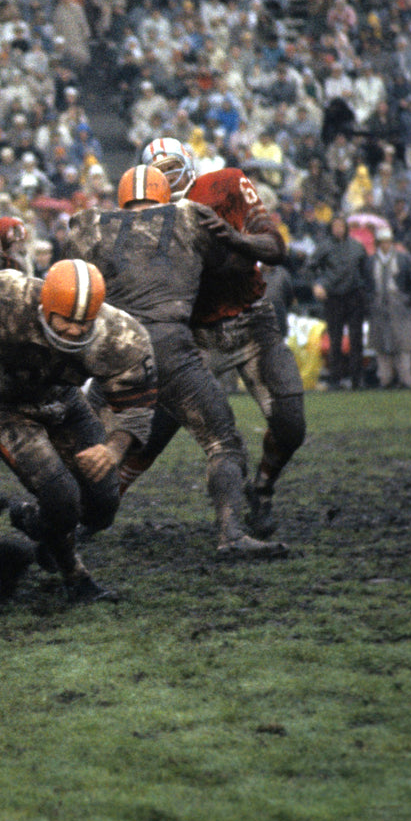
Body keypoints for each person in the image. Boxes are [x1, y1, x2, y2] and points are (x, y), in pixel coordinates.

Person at [65, 165, 287, 558]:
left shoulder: (88, 224)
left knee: (87, 440)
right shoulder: (187, 216)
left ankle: (55, 518)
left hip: (114, 346)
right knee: (224, 442)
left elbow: (75, 282)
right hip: (169, 347)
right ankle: (231, 533)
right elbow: (233, 265)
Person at [0, 259, 158, 601]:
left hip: (63, 401)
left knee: (103, 501)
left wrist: (114, 449)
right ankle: (75, 576)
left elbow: (136, 404)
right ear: (42, 307)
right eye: (65, 319)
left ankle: (34, 521)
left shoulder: (121, 334)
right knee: (61, 497)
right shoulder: (4, 296)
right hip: (0, 404)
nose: (76, 331)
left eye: (84, 322)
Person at [120, 141, 306, 540]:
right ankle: (92, 511)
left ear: (190, 164)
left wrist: (236, 239)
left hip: (251, 320)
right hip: (192, 337)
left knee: (290, 424)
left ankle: (262, 489)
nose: (168, 177)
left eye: (173, 166)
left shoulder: (226, 184)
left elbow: (275, 247)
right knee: (147, 439)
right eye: (158, 170)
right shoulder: (145, 217)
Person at [307, 214, 371, 390]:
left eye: (341, 226)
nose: (338, 229)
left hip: (354, 296)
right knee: (334, 338)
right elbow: (310, 267)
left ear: (346, 228)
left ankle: (357, 379)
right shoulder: (324, 247)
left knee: (356, 338)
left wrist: (365, 291)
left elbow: (366, 272)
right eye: (335, 226)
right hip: (333, 296)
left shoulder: (357, 247)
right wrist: (317, 284)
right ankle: (335, 379)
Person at [366, 227, 411, 389]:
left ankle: (406, 380)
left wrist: (408, 301)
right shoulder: (371, 261)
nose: (385, 245)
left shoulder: (404, 259)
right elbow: (366, 285)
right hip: (378, 305)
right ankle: (386, 380)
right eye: (382, 242)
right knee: (381, 346)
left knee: (403, 345)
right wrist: (370, 302)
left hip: (399, 305)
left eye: (388, 241)